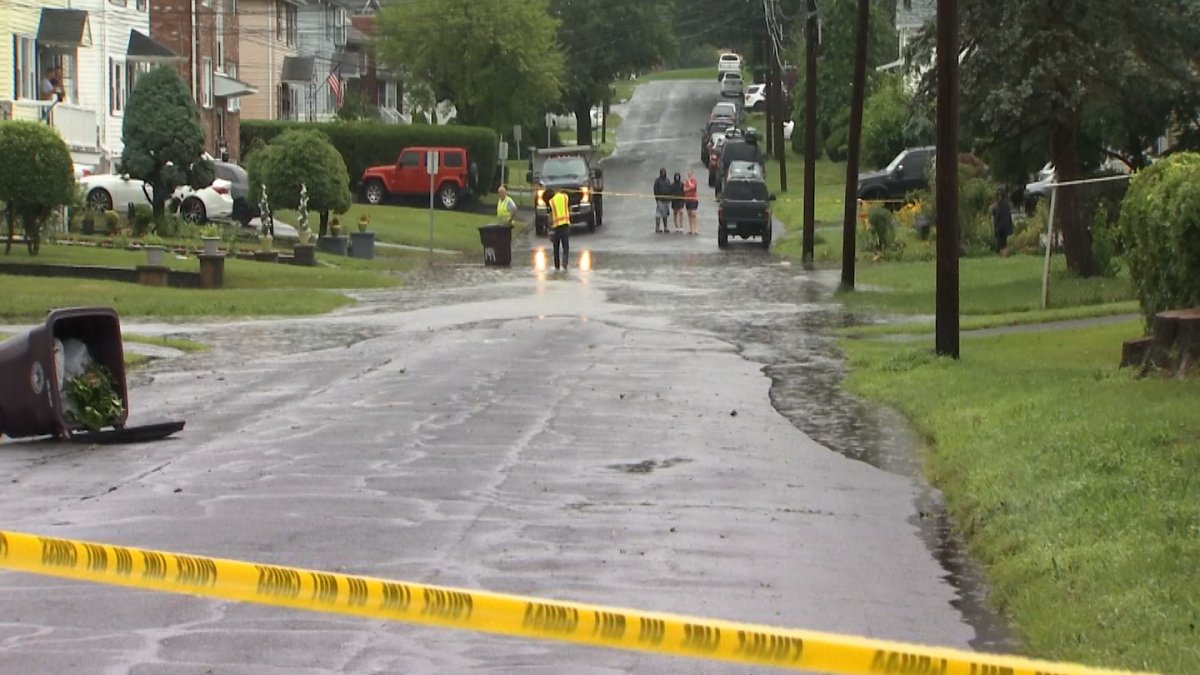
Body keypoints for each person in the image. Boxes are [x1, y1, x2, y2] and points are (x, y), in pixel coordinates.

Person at [546, 186, 571, 270]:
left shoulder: (551, 202)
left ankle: (557, 267)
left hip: (556, 228)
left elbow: (550, 218)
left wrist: (549, 231)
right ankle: (565, 263)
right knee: (566, 247)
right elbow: (569, 208)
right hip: (565, 225)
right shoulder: (565, 197)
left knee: (556, 248)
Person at [991, 188, 1013, 256]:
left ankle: (1004, 254)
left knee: (1003, 242)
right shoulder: (997, 205)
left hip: (1003, 227)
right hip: (998, 226)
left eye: (1000, 195)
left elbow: (1005, 217)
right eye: (998, 195)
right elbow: (995, 214)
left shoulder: (1005, 205)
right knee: (1000, 242)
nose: (999, 197)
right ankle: (1002, 254)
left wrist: (1000, 227)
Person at [653, 168, 672, 233]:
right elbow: (655, 190)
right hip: (660, 200)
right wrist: (657, 199)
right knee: (658, 214)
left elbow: (670, 188)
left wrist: (670, 198)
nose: (663, 173)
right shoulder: (657, 180)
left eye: (664, 172)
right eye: (662, 172)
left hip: (667, 200)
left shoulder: (667, 180)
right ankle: (657, 228)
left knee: (665, 214)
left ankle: (665, 227)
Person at [683, 170, 699, 235]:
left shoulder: (694, 181)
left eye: (690, 174)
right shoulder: (686, 182)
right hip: (687, 199)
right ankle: (690, 229)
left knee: (693, 214)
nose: (689, 175)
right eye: (688, 174)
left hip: (693, 199)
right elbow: (684, 189)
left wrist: (689, 181)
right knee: (689, 214)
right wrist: (688, 187)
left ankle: (695, 229)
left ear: (692, 174)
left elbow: (692, 186)